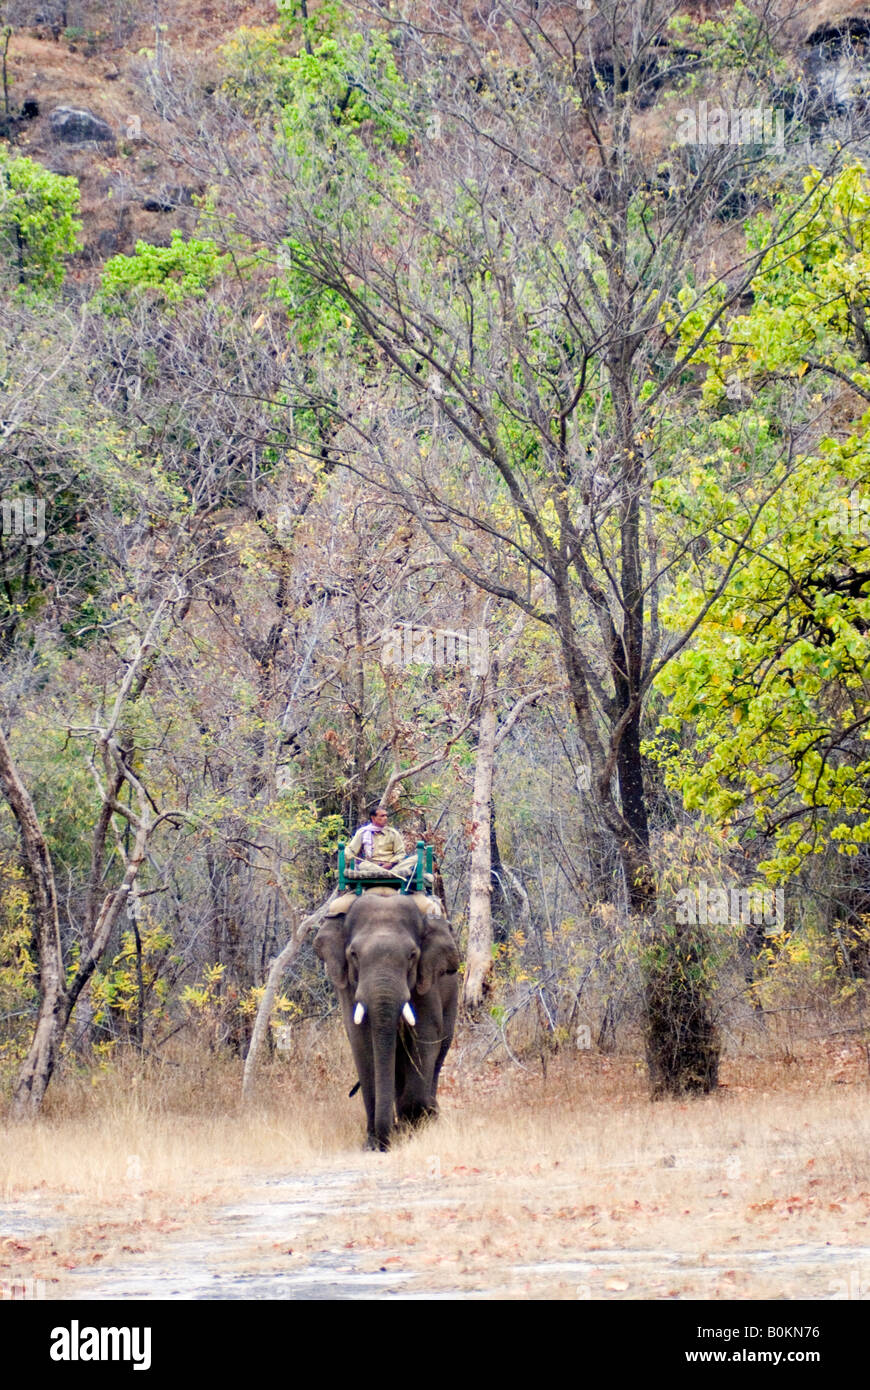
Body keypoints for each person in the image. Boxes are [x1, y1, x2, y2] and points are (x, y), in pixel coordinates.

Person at [345, 806, 421, 880]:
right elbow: (351, 851)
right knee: (363, 865)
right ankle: (389, 874)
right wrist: (346, 854)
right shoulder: (362, 833)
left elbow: (401, 853)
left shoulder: (393, 833)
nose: (385, 818)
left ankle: (388, 873)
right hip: (372, 866)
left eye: (386, 816)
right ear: (373, 818)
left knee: (416, 858)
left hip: (393, 867)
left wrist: (390, 863)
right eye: (382, 816)